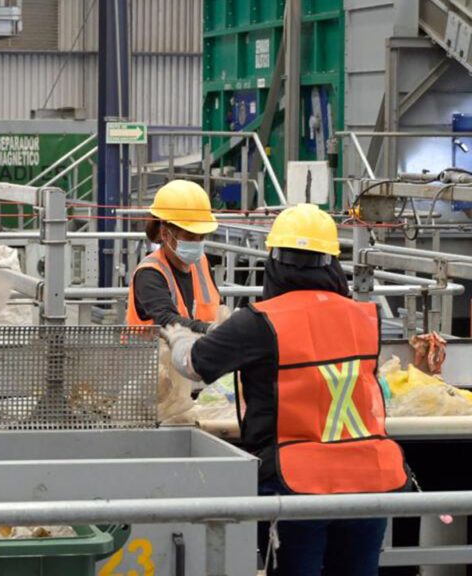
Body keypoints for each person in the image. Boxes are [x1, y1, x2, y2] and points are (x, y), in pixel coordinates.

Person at [164, 204, 410, 575]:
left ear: (274, 260)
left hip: (299, 479)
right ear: (331, 261)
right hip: (369, 476)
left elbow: (195, 365)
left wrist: (178, 337)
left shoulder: (260, 322)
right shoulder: (365, 315)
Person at [126, 179, 220, 333]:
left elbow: (215, 306)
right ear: (165, 233)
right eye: (190, 236)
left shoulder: (201, 263)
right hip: (150, 355)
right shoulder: (149, 273)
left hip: (195, 352)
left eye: (201, 237)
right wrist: (210, 329)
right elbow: (166, 320)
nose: (197, 243)